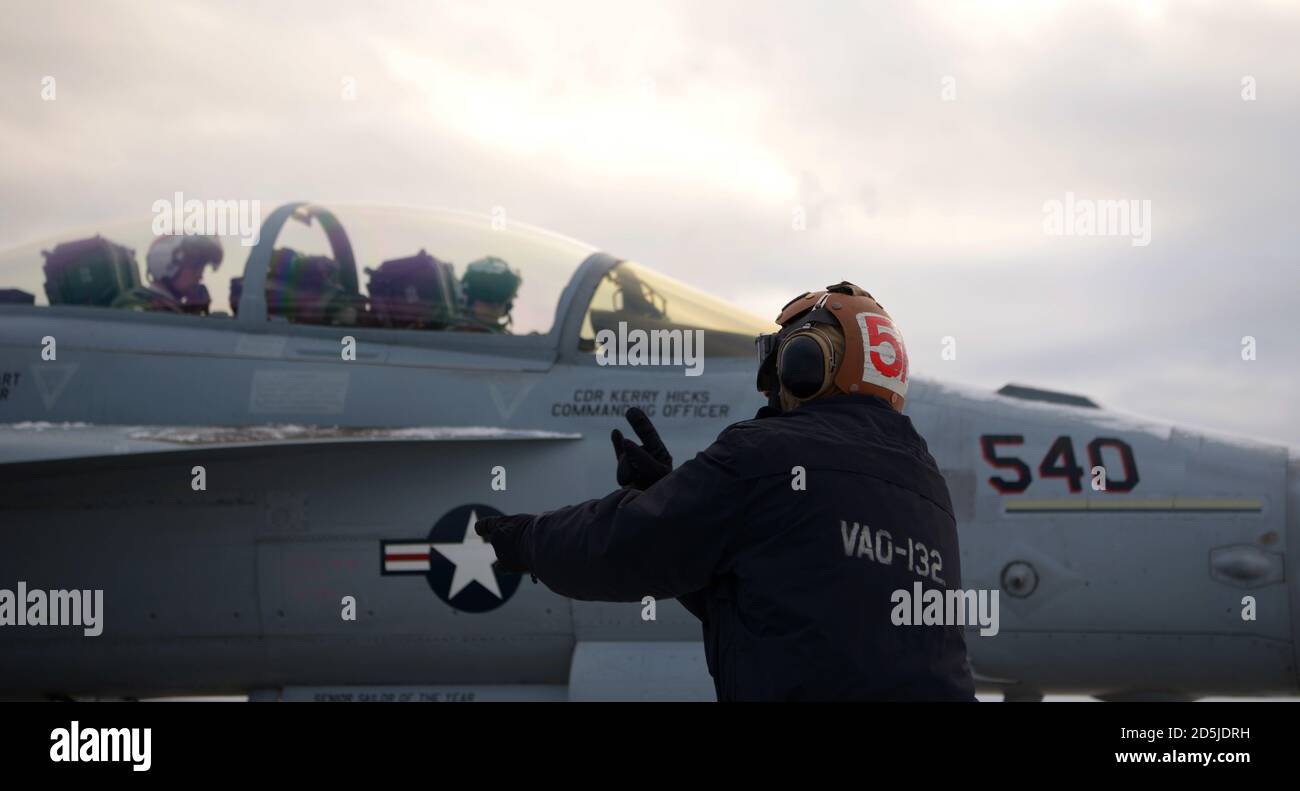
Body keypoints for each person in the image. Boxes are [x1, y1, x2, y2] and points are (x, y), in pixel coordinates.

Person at [476, 281, 976, 701]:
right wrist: (670, 493)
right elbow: (762, 603)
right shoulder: (928, 490)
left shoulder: (767, 454)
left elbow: (626, 547)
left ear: (807, 364)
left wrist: (527, 540)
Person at [114, 234, 223, 314]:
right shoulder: (134, 304)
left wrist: (193, 312)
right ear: (168, 266)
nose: (200, 277)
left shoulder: (173, 307)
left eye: (201, 269)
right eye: (195, 267)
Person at [453, 256, 520, 332]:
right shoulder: (448, 338)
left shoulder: (512, 342)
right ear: (467, 297)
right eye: (487, 295)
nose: (495, 304)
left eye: (502, 296)